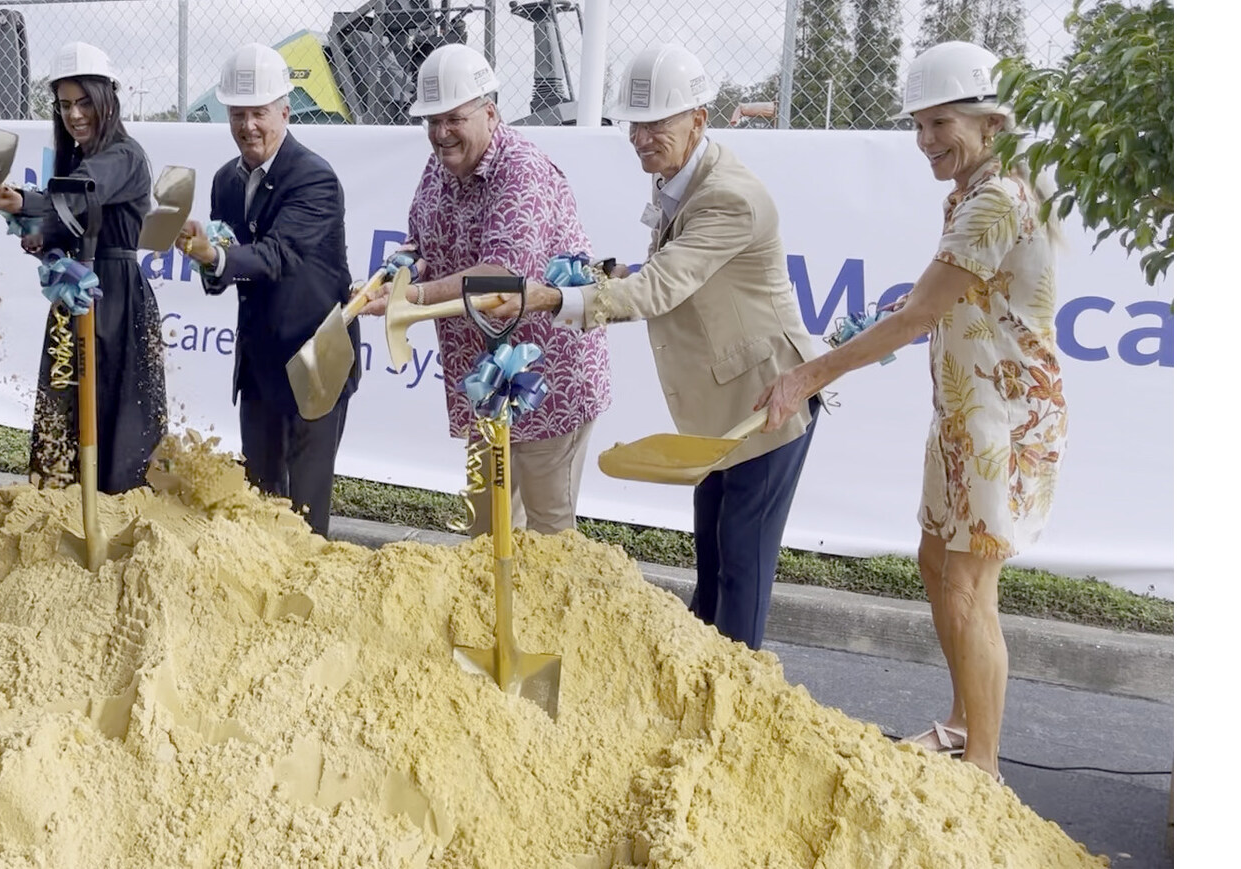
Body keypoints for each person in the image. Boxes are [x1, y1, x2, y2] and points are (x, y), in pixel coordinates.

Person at [755, 41, 1065, 781]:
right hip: (969, 413)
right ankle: (963, 724)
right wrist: (912, 311)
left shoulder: (996, 199)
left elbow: (921, 313)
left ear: (989, 121)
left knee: (968, 586)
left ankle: (982, 771)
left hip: (1001, 422)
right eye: (919, 125)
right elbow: (951, 301)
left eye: (940, 124)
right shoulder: (978, 190)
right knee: (936, 562)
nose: (926, 142)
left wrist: (806, 376)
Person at [494, 43, 825, 651]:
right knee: (713, 561)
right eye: (634, 123)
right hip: (726, 413)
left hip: (769, 406)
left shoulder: (729, 196)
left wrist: (548, 299)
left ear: (698, 119)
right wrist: (597, 272)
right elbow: (655, 269)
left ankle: (739, 706)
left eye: (657, 124)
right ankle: (704, 687)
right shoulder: (683, 180)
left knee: (740, 569)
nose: (641, 138)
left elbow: (662, 287)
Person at [360, 43, 609, 537]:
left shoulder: (523, 172)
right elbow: (421, 240)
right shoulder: (440, 167)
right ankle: (496, 618)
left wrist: (416, 296)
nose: (440, 133)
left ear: (490, 113)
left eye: (453, 117)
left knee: (547, 539)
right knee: (486, 531)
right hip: (486, 386)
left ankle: (542, 619)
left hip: (546, 385)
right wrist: (398, 270)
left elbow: (502, 276)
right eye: (431, 120)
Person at [175, 43, 355, 535]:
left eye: (258, 113)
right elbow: (228, 273)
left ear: (285, 111)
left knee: (303, 515)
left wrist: (216, 255)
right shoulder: (225, 182)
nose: (247, 125)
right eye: (237, 113)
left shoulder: (314, 178)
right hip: (258, 367)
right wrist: (209, 263)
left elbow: (279, 256)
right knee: (259, 501)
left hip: (315, 360)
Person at [0, 42, 167, 493]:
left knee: (119, 418)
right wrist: (42, 236)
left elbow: (82, 192)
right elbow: (67, 220)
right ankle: (60, 512)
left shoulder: (123, 156)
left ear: (108, 98)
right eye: (65, 104)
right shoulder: (76, 158)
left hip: (117, 299)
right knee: (63, 408)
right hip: (76, 295)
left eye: (85, 101)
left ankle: (113, 522)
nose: (75, 114)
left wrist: (25, 200)